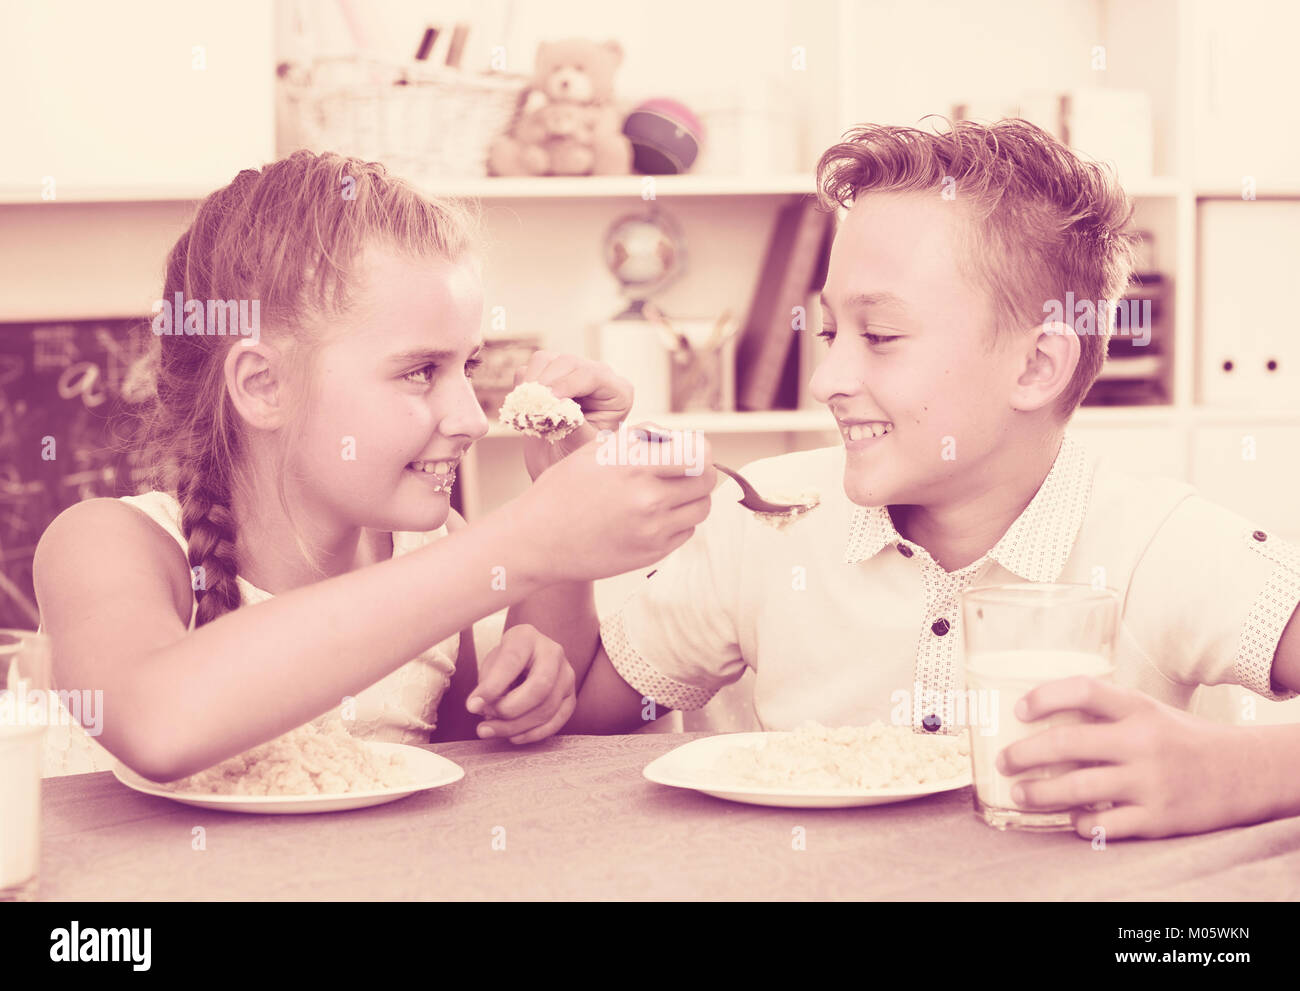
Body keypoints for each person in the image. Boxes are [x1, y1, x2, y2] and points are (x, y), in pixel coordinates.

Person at [529, 119, 1300, 840]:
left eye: (881, 335)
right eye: (830, 330)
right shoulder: (768, 517)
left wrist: (1229, 768)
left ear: (1036, 365)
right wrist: (557, 507)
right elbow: (588, 714)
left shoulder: (1157, 544)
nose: (827, 376)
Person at [33, 150, 713, 780]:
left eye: (468, 365)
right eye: (421, 370)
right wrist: (527, 541)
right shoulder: (105, 544)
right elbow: (158, 720)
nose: (474, 417)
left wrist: (559, 508)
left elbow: (472, 768)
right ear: (264, 386)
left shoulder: (426, 547)